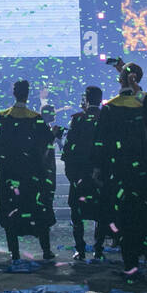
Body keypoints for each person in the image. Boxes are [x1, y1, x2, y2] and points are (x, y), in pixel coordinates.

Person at [96, 66, 147, 280]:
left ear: (119, 79)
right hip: (146, 170)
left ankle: (131, 265)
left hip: (120, 172)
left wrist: (99, 169)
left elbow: (102, 143)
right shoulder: (146, 106)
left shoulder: (110, 108)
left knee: (124, 218)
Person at [0, 80, 55, 263]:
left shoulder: (4, 116)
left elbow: (0, 150)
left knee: (12, 211)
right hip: (32, 175)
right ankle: (46, 250)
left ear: (14, 93)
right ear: (28, 94)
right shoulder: (35, 118)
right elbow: (46, 142)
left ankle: (14, 253)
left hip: (11, 176)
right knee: (37, 210)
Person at [62, 87, 105, 261]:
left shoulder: (78, 120)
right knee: (101, 213)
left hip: (79, 173)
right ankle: (99, 249)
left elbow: (69, 148)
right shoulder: (106, 119)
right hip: (100, 175)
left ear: (86, 100)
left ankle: (80, 249)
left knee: (77, 214)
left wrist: (71, 176)